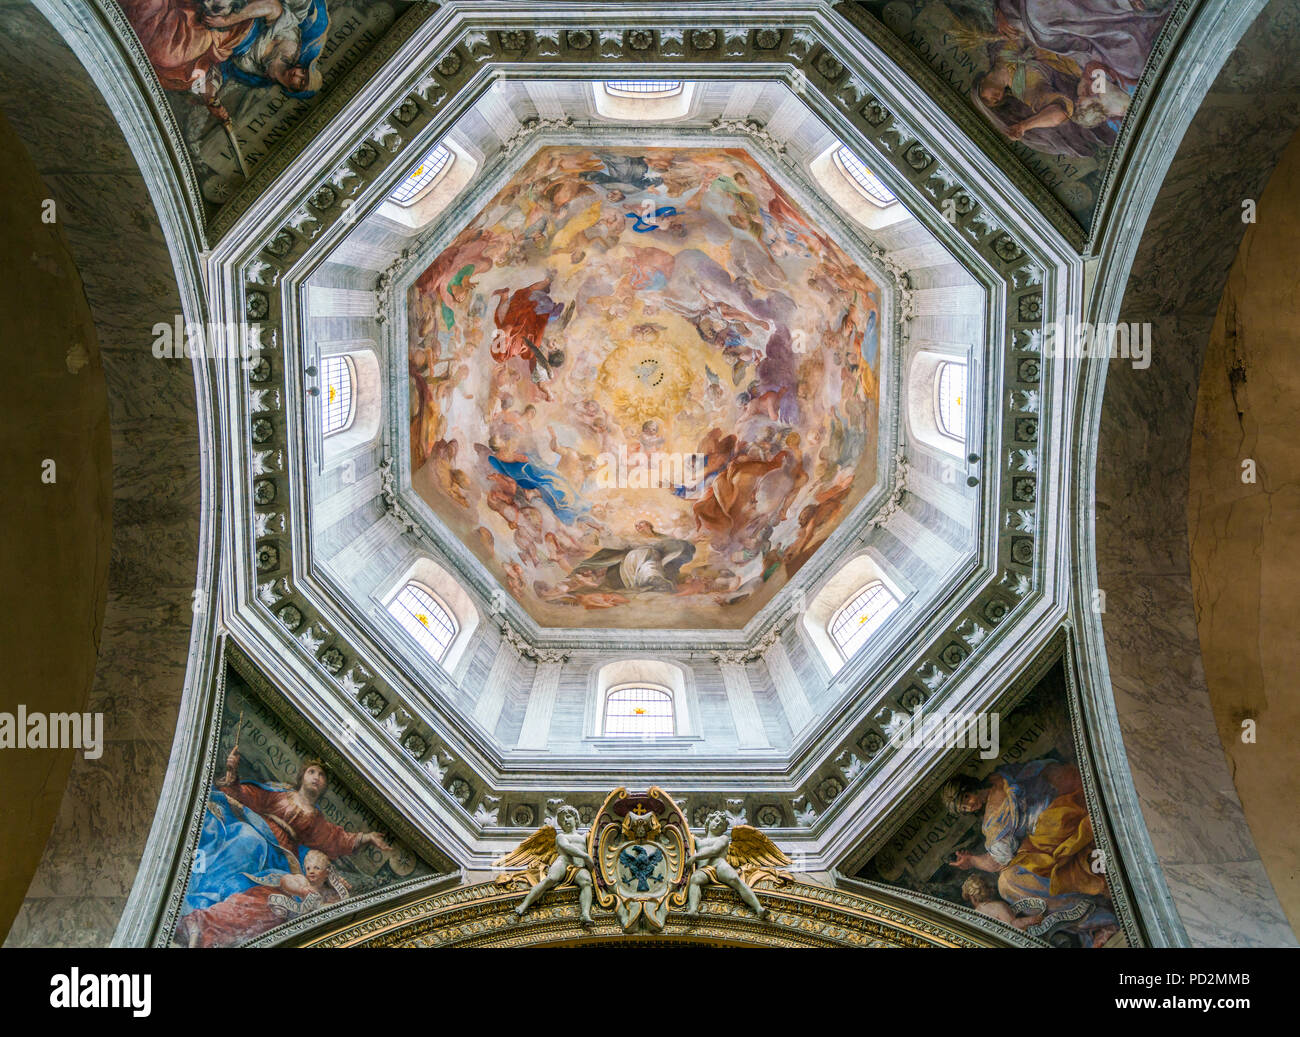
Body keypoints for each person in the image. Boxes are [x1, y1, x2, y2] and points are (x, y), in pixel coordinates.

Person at [683, 811, 768, 920]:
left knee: (735, 879)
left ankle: (759, 908)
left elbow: (714, 850)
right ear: (708, 822)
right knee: (695, 879)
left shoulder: (723, 838)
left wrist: (695, 857)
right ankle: (693, 910)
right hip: (704, 869)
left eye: (721, 824)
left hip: (719, 865)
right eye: (716, 821)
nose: (718, 824)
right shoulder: (697, 840)